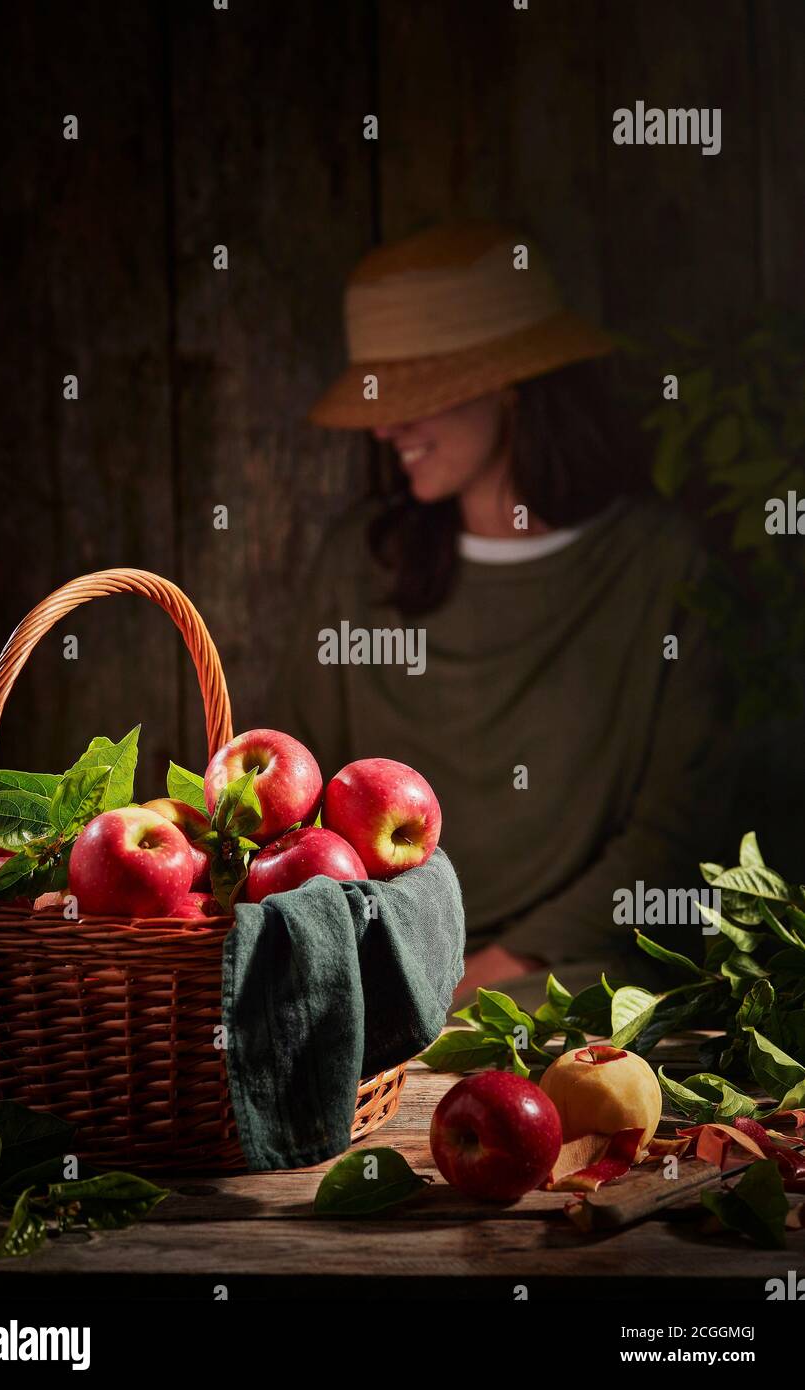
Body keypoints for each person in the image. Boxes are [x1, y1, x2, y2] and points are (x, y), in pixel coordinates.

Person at [269, 221, 731, 1007]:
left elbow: (676, 830)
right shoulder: (360, 564)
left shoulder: (658, 565)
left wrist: (486, 976)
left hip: (568, 973)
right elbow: (293, 797)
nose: (386, 425)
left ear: (510, 383)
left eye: (416, 393)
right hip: (381, 966)